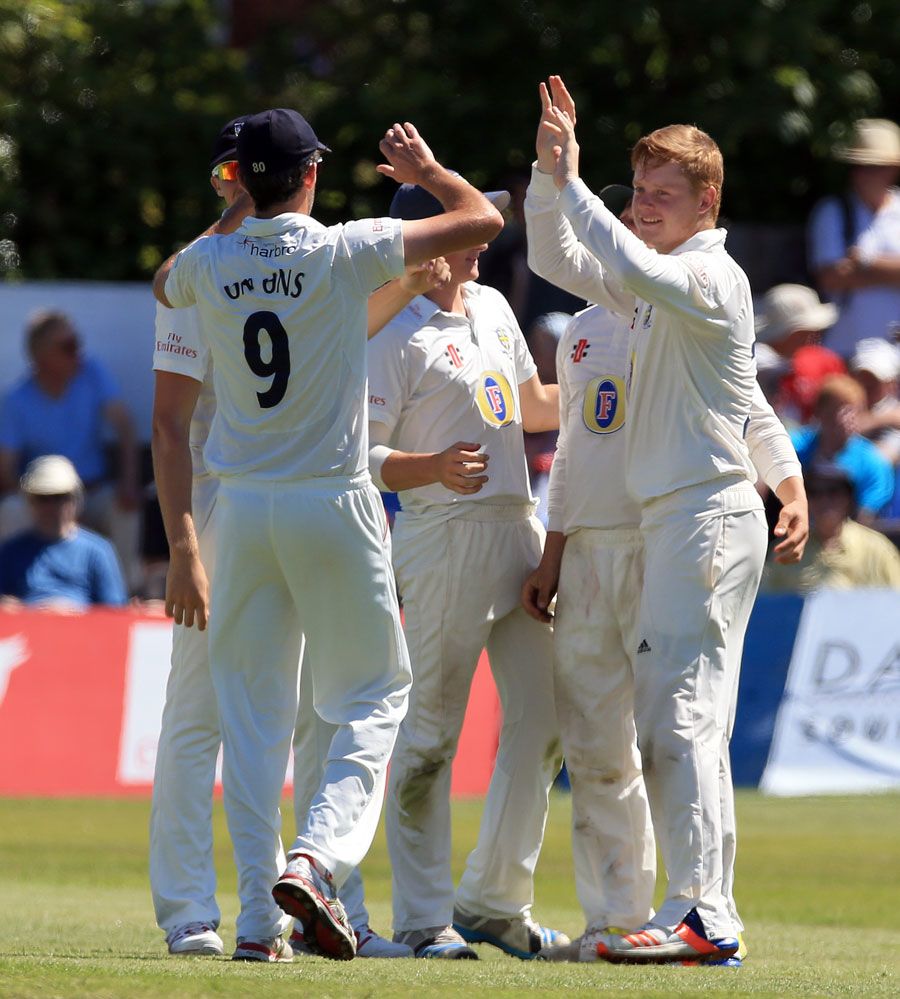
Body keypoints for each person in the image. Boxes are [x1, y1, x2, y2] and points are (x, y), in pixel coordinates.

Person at [152, 109, 503, 962]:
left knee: (252, 719)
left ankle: (253, 928)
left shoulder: (209, 260)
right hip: (329, 500)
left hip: (242, 505)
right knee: (377, 694)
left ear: (239, 180)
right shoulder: (345, 247)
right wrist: (425, 170)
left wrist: (233, 207)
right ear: (311, 174)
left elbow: (165, 279)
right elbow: (485, 221)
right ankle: (316, 859)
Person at [522, 174, 807, 964]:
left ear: (706, 202)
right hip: (630, 531)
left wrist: (786, 477)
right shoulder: (618, 312)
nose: (641, 212)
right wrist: (551, 175)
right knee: (617, 742)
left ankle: (702, 913)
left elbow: (744, 401)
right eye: (635, 198)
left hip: (681, 527)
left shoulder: (695, 280)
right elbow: (580, 440)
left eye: (657, 197)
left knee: (681, 725)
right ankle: (629, 915)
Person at [369, 178, 567, 961]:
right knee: (430, 735)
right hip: (442, 536)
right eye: (465, 230)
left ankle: (491, 899)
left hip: (516, 529)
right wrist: (432, 468)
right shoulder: (389, 334)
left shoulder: (491, 307)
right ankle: (423, 918)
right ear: (425, 244)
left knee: (546, 717)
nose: (483, 242)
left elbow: (532, 406)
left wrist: (618, 382)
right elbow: (361, 455)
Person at [0, 311, 142, 591]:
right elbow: (6, 471)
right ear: (41, 356)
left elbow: (125, 427)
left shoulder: (93, 373)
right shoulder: (16, 401)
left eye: (77, 342)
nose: (78, 352)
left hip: (93, 491)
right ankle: (9, 595)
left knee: (124, 508)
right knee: (10, 510)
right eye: (67, 346)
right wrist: (52, 506)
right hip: (42, 499)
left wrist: (129, 483)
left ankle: (124, 595)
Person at [808, 118, 900, 357]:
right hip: (845, 348)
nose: (863, 174)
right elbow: (830, 278)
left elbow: (844, 273)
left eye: (874, 166)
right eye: (859, 165)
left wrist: (865, 261)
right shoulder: (832, 211)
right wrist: (892, 273)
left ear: (892, 169)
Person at [0, 455, 126, 610]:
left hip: (83, 630)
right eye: (43, 498)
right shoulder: (11, 551)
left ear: (75, 500)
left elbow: (115, 610)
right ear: (30, 501)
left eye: (59, 497)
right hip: (27, 629)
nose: (51, 506)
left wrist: (72, 611)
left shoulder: (97, 551)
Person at [763, 463, 900, 593]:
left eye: (833, 492)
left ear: (849, 498)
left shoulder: (877, 548)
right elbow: (766, 604)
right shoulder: (785, 549)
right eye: (815, 493)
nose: (824, 500)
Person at [791, 374, 894, 523]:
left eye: (853, 411)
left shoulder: (873, 463)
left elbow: (865, 518)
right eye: (835, 410)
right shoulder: (796, 448)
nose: (844, 418)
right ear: (819, 412)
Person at [753, 283, 845, 425]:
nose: (815, 335)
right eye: (808, 331)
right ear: (792, 332)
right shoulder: (751, 365)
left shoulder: (814, 360)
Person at [850, 337, 900, 466]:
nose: (866, 385)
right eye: (861, 377)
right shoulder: (844, 406)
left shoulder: (894, 418)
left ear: (891, 384)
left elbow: (881, 459)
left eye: (874, 379)